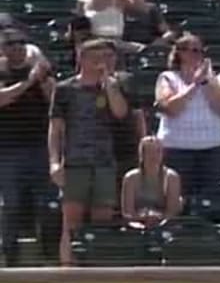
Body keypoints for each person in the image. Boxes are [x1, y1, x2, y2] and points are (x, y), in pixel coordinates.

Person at [48, 39, 127, 265]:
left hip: (104, 161)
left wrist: (108, 83)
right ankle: (68, 268)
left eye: (106, 57)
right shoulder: (64, 89)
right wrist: (55, 162)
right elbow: (55, 129)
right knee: (70, 221)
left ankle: (96, 268)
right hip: (75, 161)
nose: (102, 62)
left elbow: (120, 112)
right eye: (96, 58)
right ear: (82, 59)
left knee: (102, 219)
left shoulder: (114, 86)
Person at [0, 26, 56, 266]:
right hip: (9, 149)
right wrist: (28, 81)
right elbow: (3, 98)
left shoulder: (41, 70)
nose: (16, 50)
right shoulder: (3, 72)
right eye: (10, 46)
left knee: (45, 203)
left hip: (39, 147)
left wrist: (40, 77)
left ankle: (48, 254)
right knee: (11, 204)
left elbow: (54, 98)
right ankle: (10, 255)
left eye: (19, 45)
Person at [153, 34, 220, 200]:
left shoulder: (211, 80)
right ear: (180, 53)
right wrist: (194, 85)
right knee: (179, 198)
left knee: (209, 199)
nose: (197, 55)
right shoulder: (168, 78)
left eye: (200, 51)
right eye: (192, 50)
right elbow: (172, 108)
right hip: (177, 148)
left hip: (210, 147)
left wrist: (205, 81)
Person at [120, 137, 181, 225]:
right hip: (136, 225)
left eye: (157, 152)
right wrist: (143, 218)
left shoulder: (171, 177)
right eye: (149, 152)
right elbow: (127, 213)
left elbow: (171, 213)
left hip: (164, 225)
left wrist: (158, 218)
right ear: (141, 155)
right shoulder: (130, 178)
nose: (154, 156)